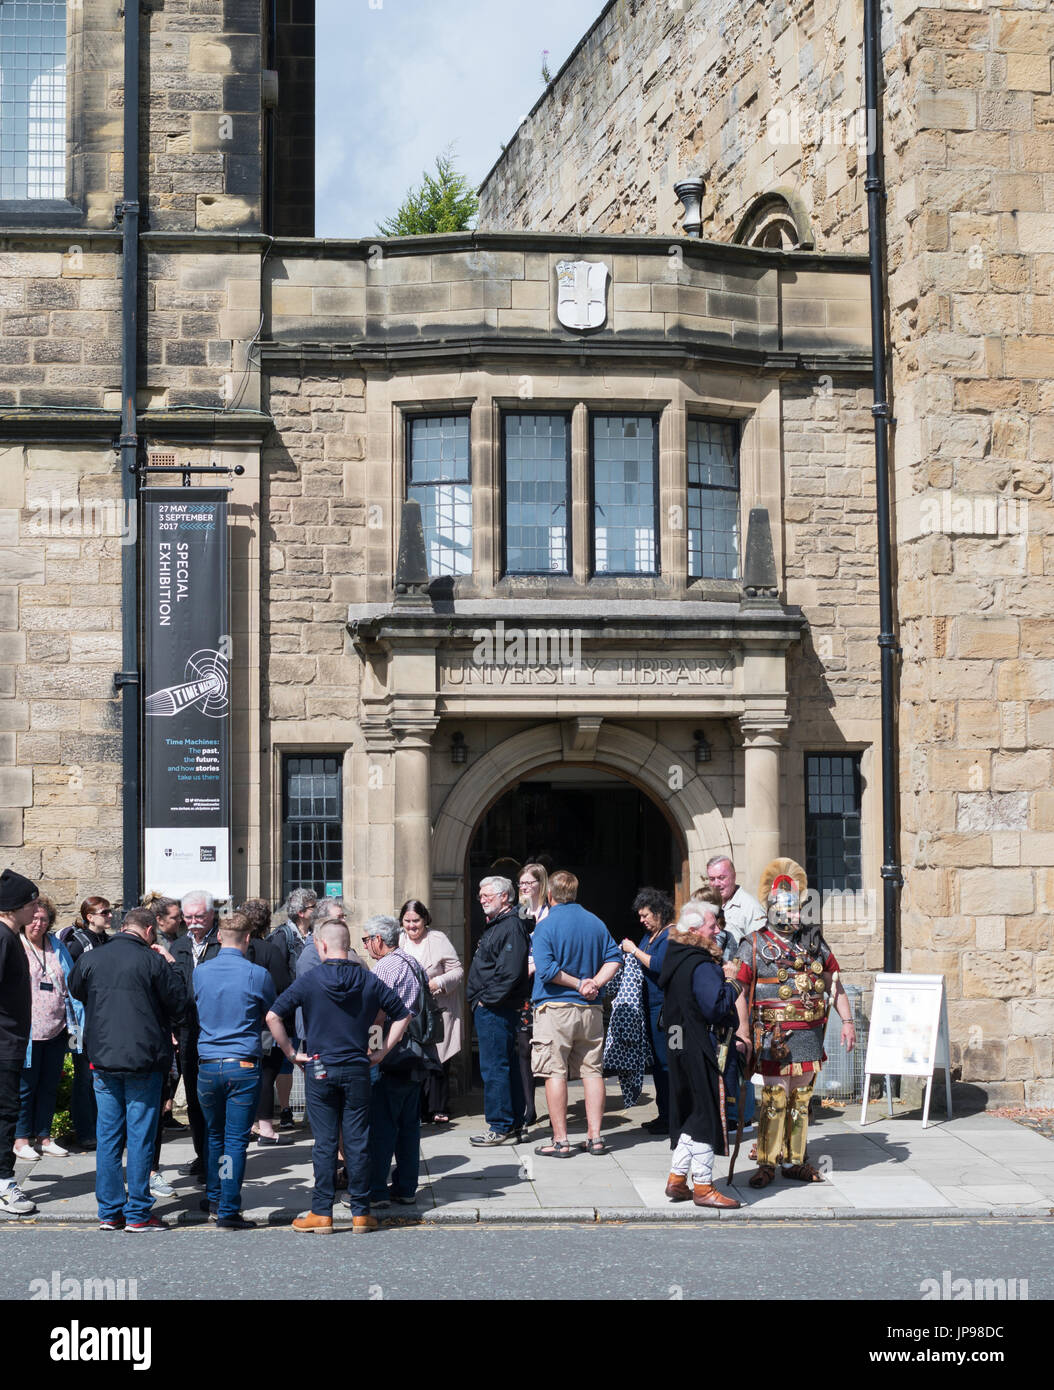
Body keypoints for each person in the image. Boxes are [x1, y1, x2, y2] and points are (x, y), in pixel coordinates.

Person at [266, 918, 411, 1234]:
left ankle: (322, 1213)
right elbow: (403, 1014)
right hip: (358, 1067)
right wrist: (383, 1052)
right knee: (357, 1139)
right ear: (348, 946)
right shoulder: (368, 979)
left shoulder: (310, 979)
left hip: (320, 1067)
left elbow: (273, 1015)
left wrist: (291, 1053)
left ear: (321, 945)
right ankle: (361, 1212)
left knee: (325, 1141)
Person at [734, 857, 856, 1188]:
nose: (795, 916)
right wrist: (743, 1030)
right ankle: (767, 1163)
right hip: (775, 1035)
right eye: (788, 910)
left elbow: (834, 982)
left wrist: (847, 1020)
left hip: (809, 1034)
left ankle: (796, 1160)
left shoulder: (813, 942)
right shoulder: (754, 944)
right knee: (775, 1100)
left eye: (797, 909)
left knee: (801, 1102)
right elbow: (740, 991)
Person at [68, 907, 187, 1231]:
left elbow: (76, 988)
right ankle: (137, 1214)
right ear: (149, 931)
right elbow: (180, 1004)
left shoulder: (93, 958)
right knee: (140, 1138)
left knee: (108, 1137)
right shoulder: (153, 961)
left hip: (103, 1059)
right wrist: (173, 966)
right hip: (142, 1061)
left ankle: (109, 1212)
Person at [658, 901, 746, 1208]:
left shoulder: (675, 956)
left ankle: (677, 1179)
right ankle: (704, 1187)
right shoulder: (702, 963)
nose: (718, 929)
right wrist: (734, 981)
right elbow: (716, 1006)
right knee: (706, 1114)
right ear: (695, 930)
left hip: (677, 1041)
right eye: (713, 925)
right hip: (698, 1045)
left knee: (692, 1112)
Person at [193, 910, 276, 1229]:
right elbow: (272, 1011)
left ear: (217, 938)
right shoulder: (258, 974)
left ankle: (214, 1197)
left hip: (209, 1064)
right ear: (248, 938)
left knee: (214, 1135)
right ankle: (228, 1209)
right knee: (235, 1140)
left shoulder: (201, 971)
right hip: (242, 1064)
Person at [530, 871, 622, 1157]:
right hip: (590, 1010)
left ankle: (561, 1141)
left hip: (555, 1009)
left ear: (550, 895)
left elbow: (546, 971)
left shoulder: (546, 926)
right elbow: (615, 958)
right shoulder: (595, 921)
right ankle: (595, 1138)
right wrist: (594, 982)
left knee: (554, 1072)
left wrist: (579, 983)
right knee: (592, 1073)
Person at [362, 915, 427, 1207]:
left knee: (383, 1124)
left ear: (378, 939)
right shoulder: (412, 962)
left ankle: (376, 1191)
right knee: (409, 1126)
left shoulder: (386, 966)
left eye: (366, 940)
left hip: (392, 1053)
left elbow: (377, 1014)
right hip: (415, 1053)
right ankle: (406, 1188)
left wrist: (373, 1051)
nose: (365, 946)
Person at [466, 875, 530, 1147]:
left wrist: (486, 1000)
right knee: (504, 1066)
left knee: (494, 1068)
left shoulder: (511, 926)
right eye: (480, 895)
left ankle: (500, 1126)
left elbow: (511, 972)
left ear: (505, 896)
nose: (481, 899)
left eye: (487, 895)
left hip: (496, 1009)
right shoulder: (500, 925)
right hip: (494, 1008)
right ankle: (512, 1123)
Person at [15, 896, 80, 1162]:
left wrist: (77, 1027)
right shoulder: (15, 944)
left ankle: (44, 1137)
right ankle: (20, 1140)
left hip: (57, 1028)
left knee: (49, 1085)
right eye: (33, 918)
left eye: (43, 919)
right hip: (27, 1032)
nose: (38, 924)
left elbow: (71, 980)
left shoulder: (56, 945)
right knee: (24, 1088)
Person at [170, 890, 221, 1177]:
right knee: (194, 1096)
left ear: (212, 914)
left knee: (216, 1097)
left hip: (216, 1031)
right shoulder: (178, 946)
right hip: (188, 1031)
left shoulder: (222, 943)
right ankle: (202, 1155)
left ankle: (218, 1158)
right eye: (188, 917)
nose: (193, 922)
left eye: (199, 916)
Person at [397, 899, 462, 1125]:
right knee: (413, 1057)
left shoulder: (438, 939)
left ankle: (438, 1107)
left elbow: (457, 970)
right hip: (409, 1011)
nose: (412, 926)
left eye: (416, 920)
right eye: (407, 921)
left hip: (436, 1008)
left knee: (438, 1059)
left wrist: (439, 981)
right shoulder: (399, 940)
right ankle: (418, 1108)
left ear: (425, 919)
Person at [0, 869, 40, 1215]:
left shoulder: (9, 936)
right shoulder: (2, 937)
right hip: (3, 1045)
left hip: (10, 1042)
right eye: (32, 902)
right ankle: (4, 1184)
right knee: (5, 1113)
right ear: (15, 907)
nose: (36, 909)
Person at [620, 888, 676, 1135]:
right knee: (658, 1066)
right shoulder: (650, 936)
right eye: (640, 916)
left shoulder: (670, 935)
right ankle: (663, 1114)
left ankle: (673, 1116)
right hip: (650, 1009)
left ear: (660, 912)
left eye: (646, 915)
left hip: (666, 1010)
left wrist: (633, 950)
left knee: (668, 1064)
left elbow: (659, 965)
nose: (641, 920)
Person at [238, 898, 293, 1145]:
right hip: (265, 1022)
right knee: (266, 1073)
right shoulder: (270, 951)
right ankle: (266, 1129)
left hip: (241, 1023)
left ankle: (249, 1125)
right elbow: (283, 986)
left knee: (247, 1074)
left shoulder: (235, 949)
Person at [61, 897, 113, 1149]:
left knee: (100, 1074)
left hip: (102, 1019)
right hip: (80, 1021)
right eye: (104, 912)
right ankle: (84, 1131)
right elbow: (70, 984)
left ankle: (100, 1128)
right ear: (90, 916)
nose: (110, 915)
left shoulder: (106, 940)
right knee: (84, 1075)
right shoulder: (77, 944)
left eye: (110, 911)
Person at [269, 888, 316, 1128]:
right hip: (289, 1009)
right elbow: (277, 972)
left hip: (309, 1007)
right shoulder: (283, 936)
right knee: (288, 1060)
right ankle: (286, 1109)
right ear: (300, 912)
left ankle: (314, 1108)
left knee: (311, 1056)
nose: (315, 910)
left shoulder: (315, 934)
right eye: (311, 907)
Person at [515, 865, 549, 1129]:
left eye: (529, 882)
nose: (524, 886)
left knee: (547, 1049)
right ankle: (529, 1107)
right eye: (521, 883)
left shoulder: (550, 913)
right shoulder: (517, 913)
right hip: (521, 988)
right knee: (523, 1047)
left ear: (541, 883)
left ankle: (554, 1107)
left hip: (544, 985)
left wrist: (534, 965)